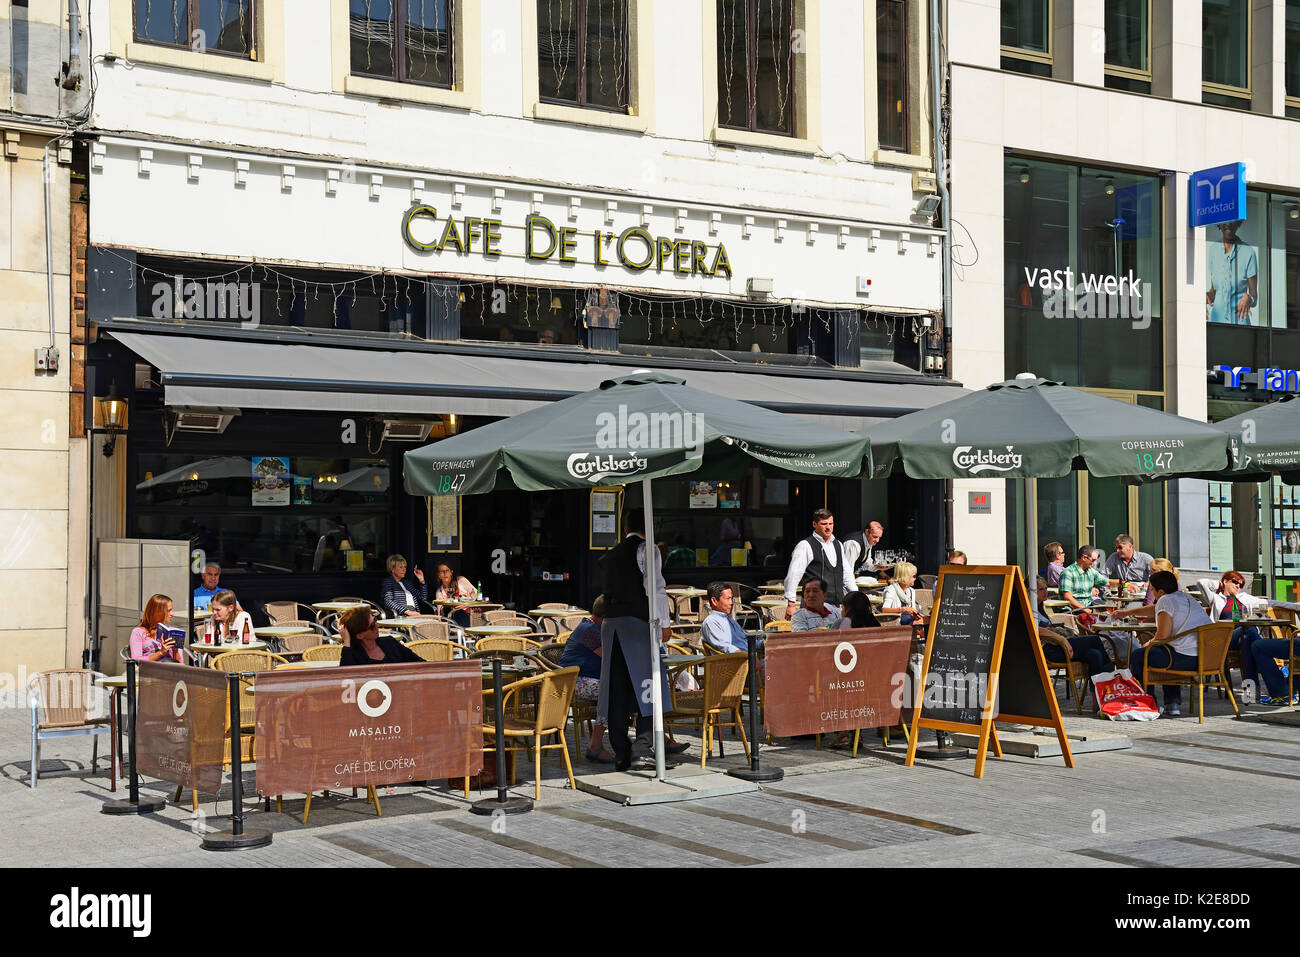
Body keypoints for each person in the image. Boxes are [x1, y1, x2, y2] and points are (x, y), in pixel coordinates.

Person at [598, 507, 673, 771]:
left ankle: (621, 751)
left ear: (626, 525)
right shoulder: (647, 549)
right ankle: (642, 749)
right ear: (649, 525)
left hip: (610, 624)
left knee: (617, 688)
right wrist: (664, 624)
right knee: (648, 684)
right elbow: (655, 588)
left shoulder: (610, 556)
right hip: (637, 623)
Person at [1131, 570, 1210, 717]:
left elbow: (1162, 635)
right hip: (1207, 658)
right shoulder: (1186, 597)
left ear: (1161, 591)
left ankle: (1149, 704)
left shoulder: (1165, 600)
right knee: (1164, 650)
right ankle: (1172, 704)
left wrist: (1147, 643)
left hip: (1186, 660)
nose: (1152, 593)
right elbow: (1156, 610)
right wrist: (1127, 613)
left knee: (1139, 655)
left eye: (1153, 590)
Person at [559, 596, 615, 763]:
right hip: (572, 682)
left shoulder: (596, 628)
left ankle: (653, 738)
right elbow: (610, 657)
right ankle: (595, 745)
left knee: (632, 689)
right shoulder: (590, 630)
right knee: (613, 691)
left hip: (586, 679)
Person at [783, 508, 856, 621]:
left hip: (837, 606)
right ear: (814, 524)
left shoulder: (838, 545)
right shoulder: (805, 545)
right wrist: (791, 604)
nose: (828, 527)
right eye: (824, 524)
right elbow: (794, 574)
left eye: (831, 523)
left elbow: (847, 574)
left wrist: (855, 597)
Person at [1034, 577, 1110, 679]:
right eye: (1041, 589)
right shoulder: (1030, 609)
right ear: (1032, 591)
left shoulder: (1038, 608)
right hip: (1049, 650)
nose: (1045, 592)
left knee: (1095, 655)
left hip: (1056, 646)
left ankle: (1097, 693)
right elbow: (1035, 629)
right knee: (1095, 639)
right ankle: (1111, 678)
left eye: (1046, 588)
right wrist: (1062, 639)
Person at [1209, 571, 1270, 698]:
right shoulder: (1215, 598)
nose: (1238, 586)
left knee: (1248, 641)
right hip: (1224, 638)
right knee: (1250, 631)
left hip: (1242, 636)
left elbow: (1270, 603)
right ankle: (1263, 654)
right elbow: (1201, 583)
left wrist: (1295, 606)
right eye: (1235, 582)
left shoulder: (1244, 598)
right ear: (1225, 581)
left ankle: (1251, 693)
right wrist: (1218, 585)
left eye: (1240, 585)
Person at [1206, 219, 1258, 326]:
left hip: (1240, 323)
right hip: (1217, 322)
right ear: (1219, 224)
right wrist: (1206, 296)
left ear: (1238, 223)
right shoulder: (1213, 250)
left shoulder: (1248, 252)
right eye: (1224, 220)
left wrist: (1249, 298)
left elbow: (1254, 295)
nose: (1228, 224)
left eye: (1232, 221)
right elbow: (1214, 291)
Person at [338, 606, 423, 665]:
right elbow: (345, 679)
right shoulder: (352, 654)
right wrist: (346, 641)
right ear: (360, 635)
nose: (377, 626)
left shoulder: (389, 642)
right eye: (372, 626)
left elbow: (420, 663)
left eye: (375, 620)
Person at [701, 582, 755, 653]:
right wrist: (749, 658)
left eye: (732, 599)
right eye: (727, 598)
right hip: (735, 661)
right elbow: (725, 647)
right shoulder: (711, 622)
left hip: (748, 657)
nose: (731, 603)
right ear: (714, 601)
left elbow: (744, 640)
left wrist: (762, 644)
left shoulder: (729, 619)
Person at [129, 594, 182, 663]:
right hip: (149, 670)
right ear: (158, 612)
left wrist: (175, 651)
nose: (172, 613)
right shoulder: (138, 632)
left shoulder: (174, 632)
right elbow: (136, 660)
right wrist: (161, 653)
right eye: (169, 611)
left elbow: (180, 663)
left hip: (171, 670)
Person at [1060, 546, 1108, 611]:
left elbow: (1108, 582)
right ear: (1084, 558)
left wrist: (1124, 583)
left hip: (1089, 607)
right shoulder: (1068, 573)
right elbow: (1067, 597)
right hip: (1073, 611)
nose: (1095, 563)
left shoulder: (1090, 571)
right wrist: (1085, 609)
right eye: (1093, 560)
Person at [381, 553, 428, 618]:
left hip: (415, 615)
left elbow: (423, 598)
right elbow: (388, 601)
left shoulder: (406, 583)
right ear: (392, 569)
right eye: (401, 567)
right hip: (402, 616)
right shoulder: (388, 582)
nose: (404, 570)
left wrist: (422, 581)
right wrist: (407, 611)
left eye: (405, 567)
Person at [434, 561, 477, 629]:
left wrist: (472, 596)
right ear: (438, 575)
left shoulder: (461, 580)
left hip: (470, 614)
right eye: (442, 571)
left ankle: (466, 635)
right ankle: (467, 636)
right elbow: (440, 611)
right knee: (456, 613)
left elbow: (476, 594)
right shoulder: (439, 591)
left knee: (459, 613)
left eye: (447, 571)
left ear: (451, 572)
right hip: (451, 618)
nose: (445, 573)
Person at [882, 561, 925, 626]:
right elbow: (884, 610)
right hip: (897, 623)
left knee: (928, 620)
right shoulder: (891, 589)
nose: (915, 579)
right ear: (906, 576)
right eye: (914, 576)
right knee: (924, 625)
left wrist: (917, 614)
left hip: (910, 621)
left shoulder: (911, 591)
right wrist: (903, 609)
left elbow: (912, 609)